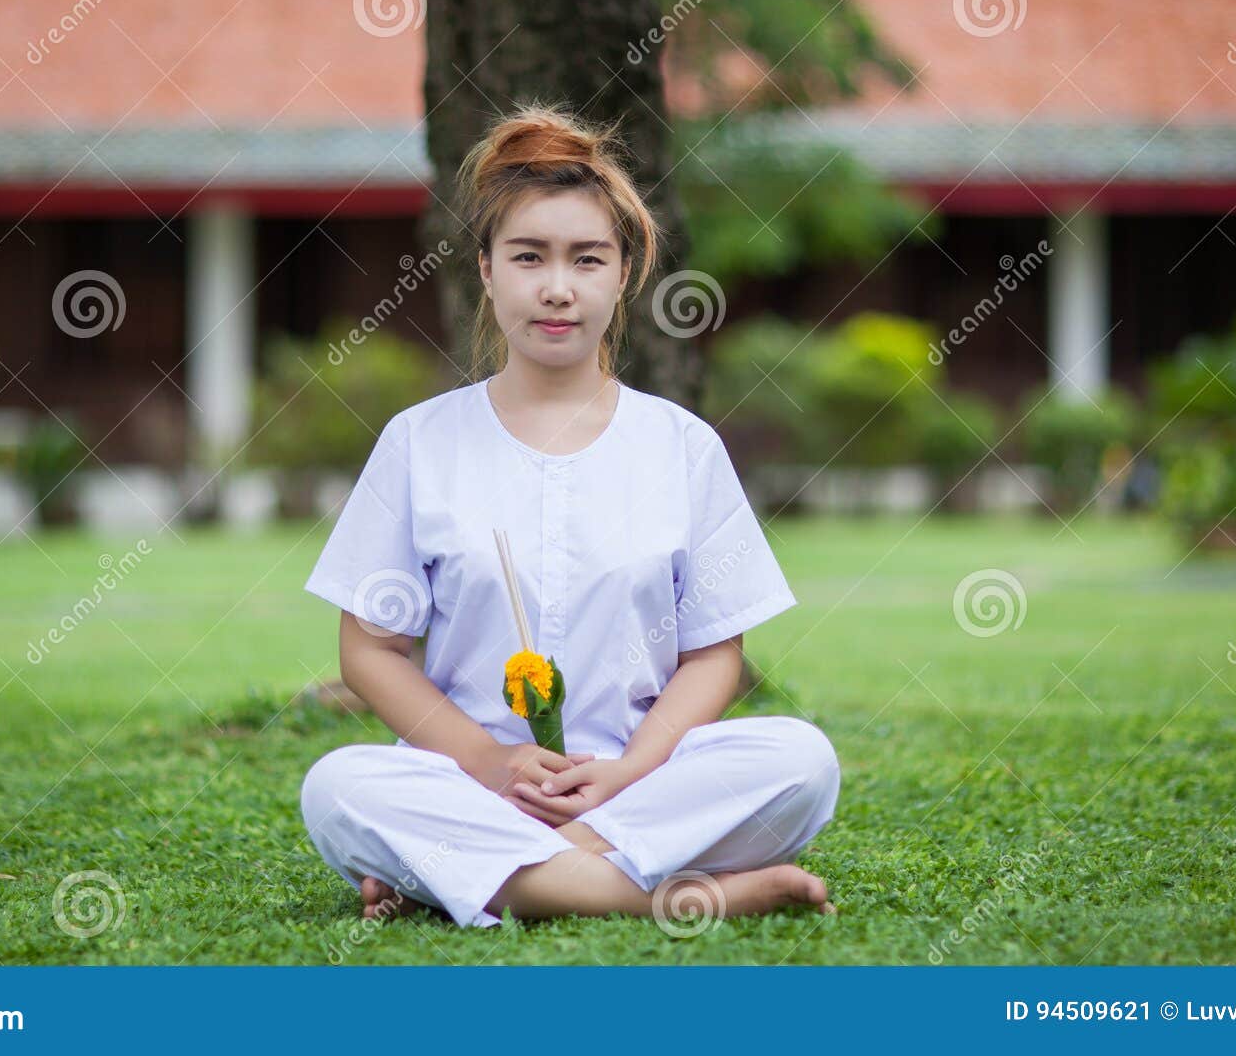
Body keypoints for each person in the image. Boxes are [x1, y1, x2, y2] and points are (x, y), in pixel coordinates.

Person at [300, 102, 840, 928]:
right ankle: (678, 895)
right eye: (528, 256)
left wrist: (625, 777)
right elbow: (370, 647)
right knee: (339, 788)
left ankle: (483, 877)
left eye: (587, 259)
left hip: (638, 781)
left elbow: (715, 655)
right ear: (485, 269)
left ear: (622, 274)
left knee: (803, 761)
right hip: (470, 783)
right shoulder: (421, 442)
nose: (557, 287)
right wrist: (491, 762)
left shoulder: (680, 446)